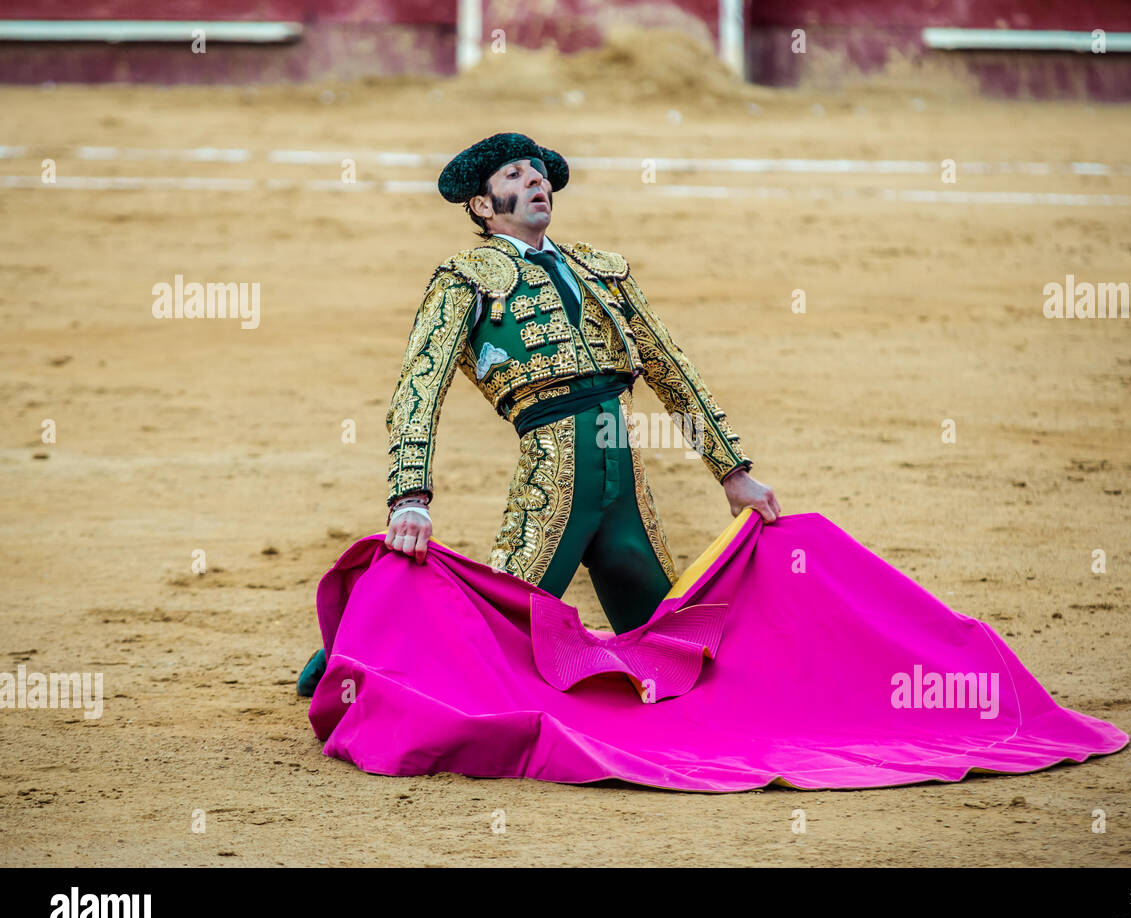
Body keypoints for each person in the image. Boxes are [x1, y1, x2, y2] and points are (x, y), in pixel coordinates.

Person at [298, 131, 779, 696]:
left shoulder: (603, 270)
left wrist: (733, 472)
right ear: (482, 206)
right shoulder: (464, 279)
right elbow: (418, 390)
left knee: (671, 653)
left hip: (625, 483)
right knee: (493, 634)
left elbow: (672, 371)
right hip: (554, 475)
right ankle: (349, 656)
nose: (534, 180)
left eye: (538, 173)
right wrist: (410, 499)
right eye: (514, 175)